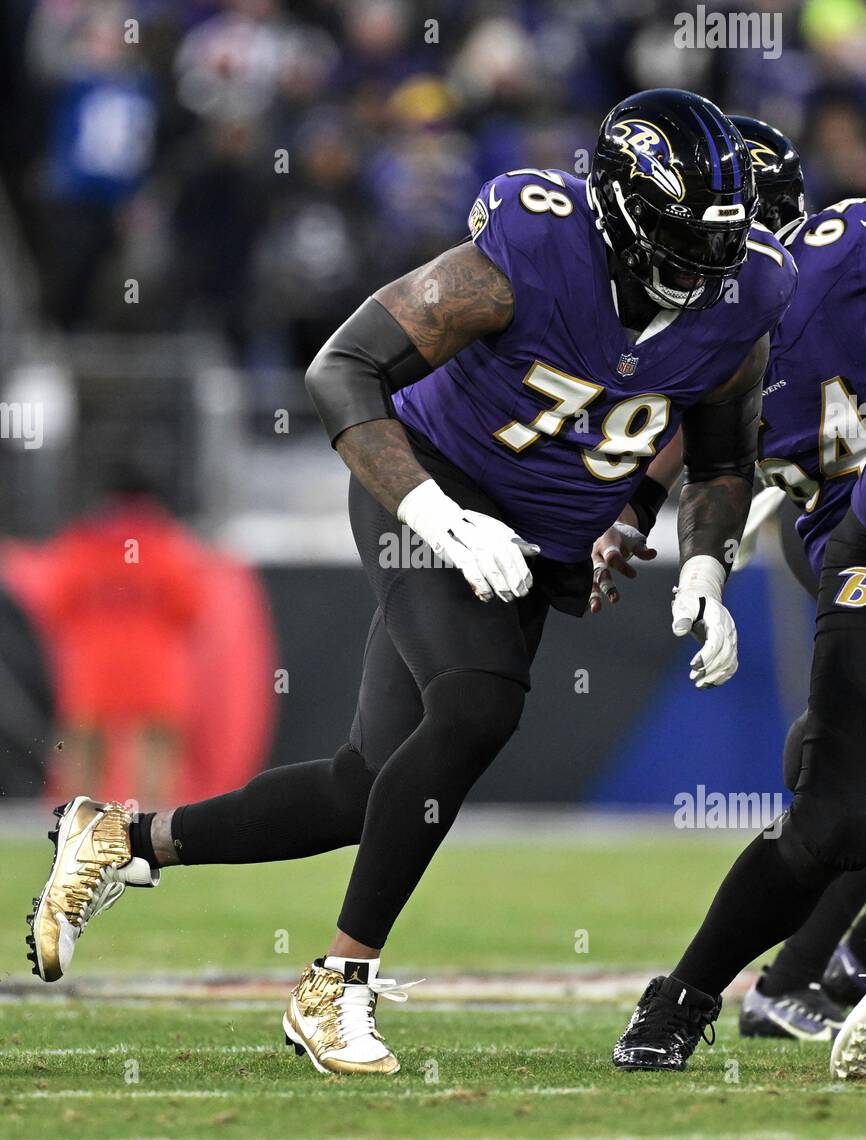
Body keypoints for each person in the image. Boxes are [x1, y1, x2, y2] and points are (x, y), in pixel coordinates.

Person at [28, 89, 796, 1078]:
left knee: (366, 785)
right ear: (619, 215)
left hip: (543, 536)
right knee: (478, 707)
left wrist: (690, 551)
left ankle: (122, 837)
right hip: (432, 485)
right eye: (683, 243)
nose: (706, 269)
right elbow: (342, 368)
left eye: (717, 245)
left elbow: (723, 449)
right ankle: (335, 985)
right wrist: (437, 515)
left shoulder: (746, 292)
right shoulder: (532, 248)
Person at [612, 118, 866, 1077]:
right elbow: (700, 420)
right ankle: (690, 997)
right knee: (834, 819)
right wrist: (658, 525)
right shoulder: (796, 276)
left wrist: (639, 511)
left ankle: (815, 976)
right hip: (855, 538)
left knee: (842, 802)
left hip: (828, 518)